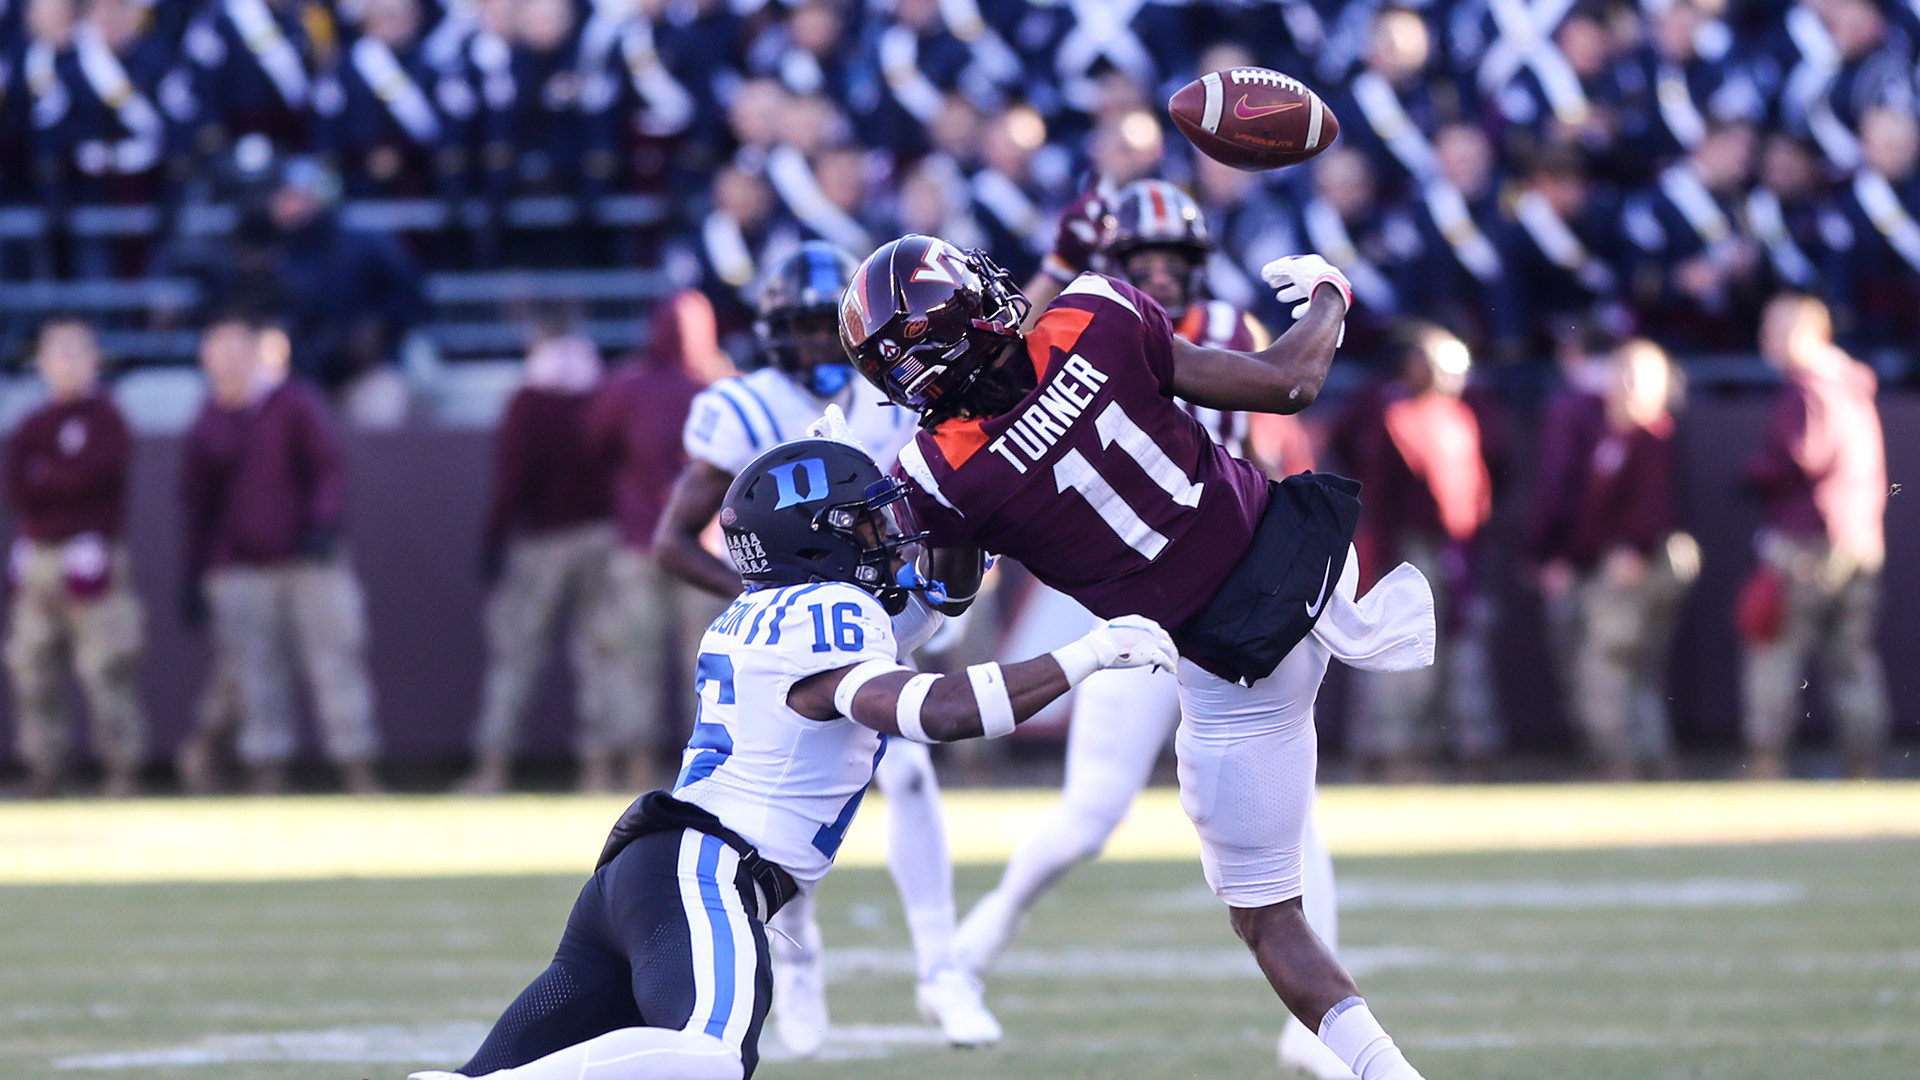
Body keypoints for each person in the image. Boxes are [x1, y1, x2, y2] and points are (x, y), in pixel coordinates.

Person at [842, 232, 1437, 1080]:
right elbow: (1292, 382)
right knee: (1294, 840)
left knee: (1269, 918)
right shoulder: (1097, 313)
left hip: (1228, 663)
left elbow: (947, 593)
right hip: (1305, 570)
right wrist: (1331, 292)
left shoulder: (940, 474)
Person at [407, 437, 1178, 1080]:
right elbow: (935, 711)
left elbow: (932, 599)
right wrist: (1091, 651)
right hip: (704, 874)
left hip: (645, 878)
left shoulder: (762, 610)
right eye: (869, 527)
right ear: (820, 538)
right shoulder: (829, 611)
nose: (890, 539)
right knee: (708, 1059)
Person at [945, 179, 1352, 1079]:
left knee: (1294, 828)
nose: (1160, 276)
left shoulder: (1191, 324)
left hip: (1227, 589)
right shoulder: (1092, 324)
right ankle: (964, 958)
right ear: (1118, 265)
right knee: (1091, 812)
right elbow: (1016, 371)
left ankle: (1313, 1029)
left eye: (1174, 262)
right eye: (1143, 263)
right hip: (1142, 613)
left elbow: (1269, 416)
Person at [652, 242, 996, 1050]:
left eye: (824, 329)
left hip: (887, 610)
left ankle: (941, 968)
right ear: (774, 334)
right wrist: (773, 606)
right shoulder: (742, 405)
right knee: (784, 797)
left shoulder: (898, 388)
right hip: (800, 637)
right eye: (799, 331)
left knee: (909, 774)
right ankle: (802, 974)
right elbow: (673, 540)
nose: (814, 348)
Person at [174, 315, 383, 795]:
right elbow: (197, 505)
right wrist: (194, 574)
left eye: (235, 355)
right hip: (242, 566)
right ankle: (266, 770)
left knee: (335, 661)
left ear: (255, 355)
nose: (226, 367)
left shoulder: (293, 404)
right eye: (217, 357)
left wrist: (321, 526)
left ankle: (357, 767)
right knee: (253, 674)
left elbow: (327, 468)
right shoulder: (209, 421)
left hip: (310, 562)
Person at [460, 326, 622, 794]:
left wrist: (492, 538)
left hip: (543, 543)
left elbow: (513, 477)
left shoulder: (528, 403)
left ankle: (493, 768)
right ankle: (599, 771)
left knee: (515, 657)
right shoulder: (604, 393)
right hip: (602, 537)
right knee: (601, 656)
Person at [1330, 322, 1495, 780]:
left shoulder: (1460, 414)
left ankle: (1462, 744)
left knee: (1460, 647)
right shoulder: (1393, 411)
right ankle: (1393, 746)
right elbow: (1363, 469)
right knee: (1400, 644)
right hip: (1404, 547)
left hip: (1455, 548)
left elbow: (1479, 484)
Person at [1740, 293, 1890, 780]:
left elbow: (1804, 453)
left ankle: (1767, 761)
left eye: (1775, 329)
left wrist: (1756, 471)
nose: (1766, 340)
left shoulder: (1812, 386)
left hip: (1810, 542)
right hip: (1859, 539)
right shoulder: (1849, 384)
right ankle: (1863, 762)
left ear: (1805, 333)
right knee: (1852, 658)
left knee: (1775, 648)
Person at [586, 290, 731, 793]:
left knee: (631, 663)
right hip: (706, 550)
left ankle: (634, 767)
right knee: (713, 670)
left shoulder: (629, 386)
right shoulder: (721, 388)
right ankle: (713, 773)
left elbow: (594, 443)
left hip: (640, 542)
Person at [3, 319, 144, 798]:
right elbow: (17, 487)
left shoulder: (108, 418)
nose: (65, 363)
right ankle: (44, 767)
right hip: (39, 556)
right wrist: (57, 482)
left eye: (75, 352)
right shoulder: (32, 423)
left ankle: (122, 769)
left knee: (105, 666)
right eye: (55, 353)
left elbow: (94, 478)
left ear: (93, 360)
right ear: (40, 363)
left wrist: (51, 478)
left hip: (91, 555)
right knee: (30, 666)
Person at [1565, 339, 1697, 779]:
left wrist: (1633, 549)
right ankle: (1646, 760)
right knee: (1631, 670)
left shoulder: (1652, 436)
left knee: (1611, 664)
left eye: (1637, 377)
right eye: (1619, 374)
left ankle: (1621, 761)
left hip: (1637, 566)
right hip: (1614, 562)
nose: (1624, 386)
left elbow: (1653, 506)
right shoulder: (1612, 437)